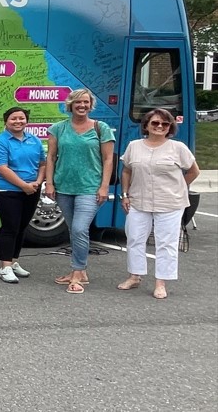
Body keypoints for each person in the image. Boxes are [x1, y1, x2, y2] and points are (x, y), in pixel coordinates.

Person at [117, 108, 199, 300]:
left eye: (165, 123)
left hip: (170, 202)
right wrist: (125, 194)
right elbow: (127, 171)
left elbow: (194, 171)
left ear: (170, 127)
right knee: (135, 238)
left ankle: (161, 282)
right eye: (155, 123)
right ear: (146, 125)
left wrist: (179, 187)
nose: (160, 126)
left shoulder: (177, 148)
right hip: (138, 200)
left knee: (166, 243)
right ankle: (134, 276)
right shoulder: (134, 146)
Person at [44, 88, 115, 294]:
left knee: (79, 229)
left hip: (89, 187)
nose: (82, 106)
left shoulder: (101, 129)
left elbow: (108, 159)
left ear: (90, 105)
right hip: (64, 186)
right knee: (72, 229)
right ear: (70, 105)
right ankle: (80, 270)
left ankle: (77, 273)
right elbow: (51, 157)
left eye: (85, 102)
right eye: (78, 102)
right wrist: (50, 183)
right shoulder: (58, 129)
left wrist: (104, 186)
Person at [0, 107, 45, 284]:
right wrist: (23, 185)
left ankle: (14, 262)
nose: (18, 121)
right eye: (13, 119)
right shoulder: (0, 141)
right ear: (6, 121)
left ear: (26, 121)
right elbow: (2, 168)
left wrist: (37, 182)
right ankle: (4, 267)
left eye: (21, 118)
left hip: (31, 189)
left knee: (21, 227)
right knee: (10, 227)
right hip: (7, 190)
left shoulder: (34, 140)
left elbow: (42, 163)